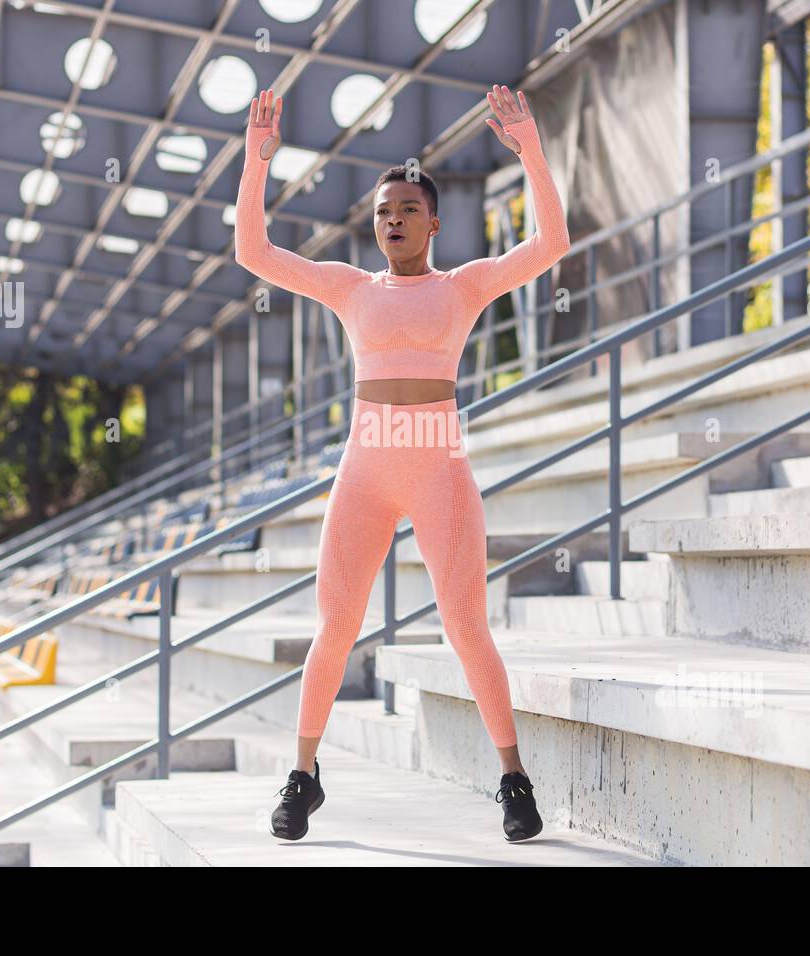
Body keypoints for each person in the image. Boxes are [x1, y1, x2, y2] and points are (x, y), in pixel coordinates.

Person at [234, 84, 570, 843]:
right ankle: (304, 775)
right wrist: (258, 160)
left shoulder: (465, 285)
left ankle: (513, 777)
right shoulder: (351, 288)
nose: (392, 221)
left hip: (439, 468)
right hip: (367, 471)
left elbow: (550, 246)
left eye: (407, 210)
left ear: (434, 223)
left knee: (465, 626)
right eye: (384, 212)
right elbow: (253, 252)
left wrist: (532, 155)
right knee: (336, 624)